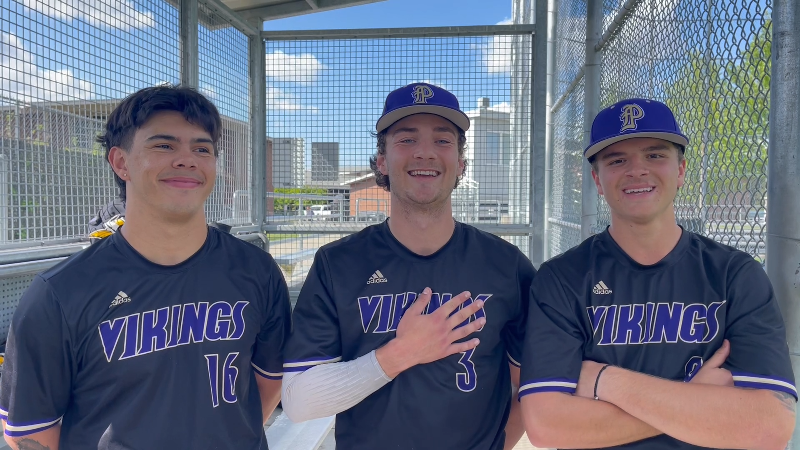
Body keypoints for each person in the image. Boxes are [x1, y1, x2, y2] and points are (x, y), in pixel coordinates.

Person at [0, 85, 291, 449]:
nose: (187, 159)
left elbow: (267, 383)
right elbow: (32, 432)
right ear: (121, 162)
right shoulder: (59, 293)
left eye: (202, 148)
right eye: (164, 145)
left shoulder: (256, 271)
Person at [519, 98, 796, 449]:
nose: (637, 170)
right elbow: (547, 426)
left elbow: (768, 426)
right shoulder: (561, 279)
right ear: (597, 180)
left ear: (680, 171)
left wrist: (605, 380)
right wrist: (693, 400)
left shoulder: (734, 274)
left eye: (655, 155)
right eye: (617, 160)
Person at [280, 82, 535, 450]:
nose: (425, 153)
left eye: (443, 140)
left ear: (461, 163)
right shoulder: (338, 264)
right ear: (382, 160)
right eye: (406, 139)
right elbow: (300, 402)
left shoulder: (506, 265)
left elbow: (531, 380)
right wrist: (400, 354)